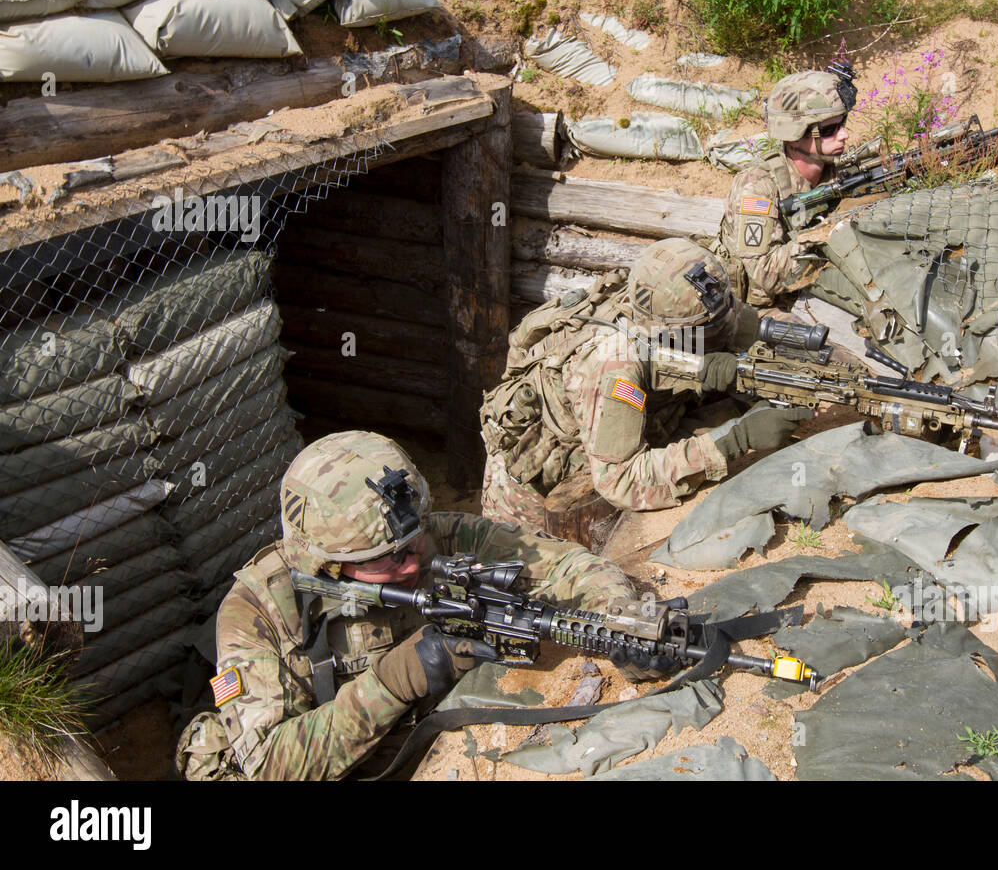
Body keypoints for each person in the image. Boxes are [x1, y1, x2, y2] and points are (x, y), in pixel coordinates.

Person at [175, 430, 637, 781]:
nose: (417, 557)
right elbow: (270, 763)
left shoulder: (436, 537)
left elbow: (567, 565)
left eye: (416, 538)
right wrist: (398, 680)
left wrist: (623, 618)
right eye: (392, 557)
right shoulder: (256, 613)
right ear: (330, 565)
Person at [479, 238, 812, 532]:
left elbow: (735, 323)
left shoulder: (684, 297)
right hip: (534, 498)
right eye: (709, 330)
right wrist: (736, 439)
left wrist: (789, 356)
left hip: (631, 428)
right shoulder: (613, 364)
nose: (723, 331)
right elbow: (620, 481)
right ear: (669, 332)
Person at [710, 70, 853, 307]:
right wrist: (826, 232)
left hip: (809, 290)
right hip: (760, 309)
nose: (844, 135)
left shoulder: (836, 170)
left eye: (842, 124)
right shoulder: (758, 186)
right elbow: (764, 273)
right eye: (829, 130)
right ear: (794, 137)